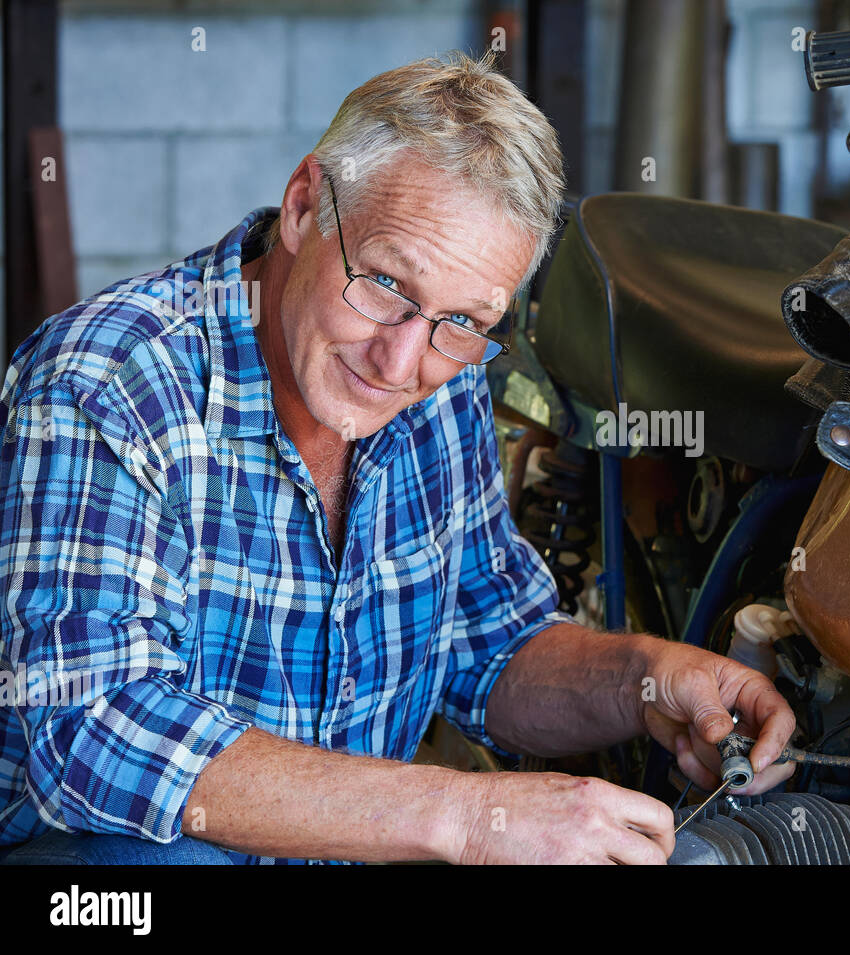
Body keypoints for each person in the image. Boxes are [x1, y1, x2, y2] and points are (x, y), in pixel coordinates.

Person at [0, 53, 794, 865]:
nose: (399, 360)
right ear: (305, 206)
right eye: (384, 283)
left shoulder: (439, 385)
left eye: (461, 320)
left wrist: (652, 679)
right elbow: (90, 734)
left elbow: (491, 644)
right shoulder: (110, 383)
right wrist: (469, 816)